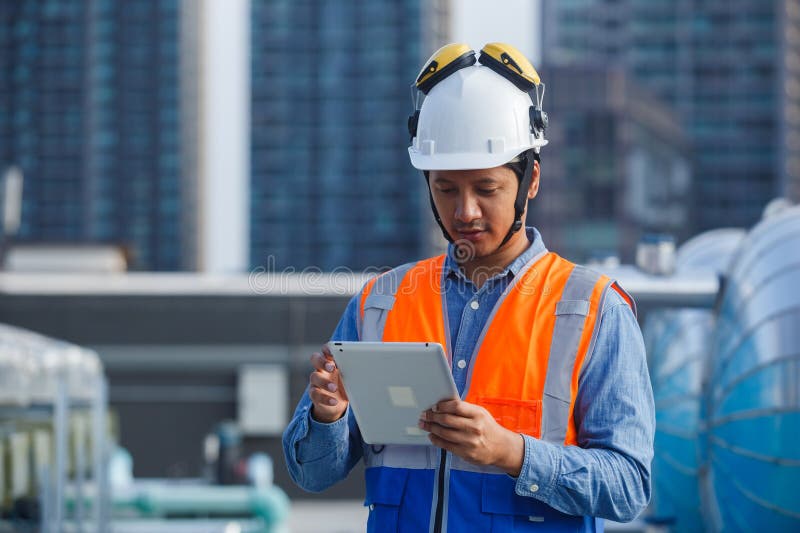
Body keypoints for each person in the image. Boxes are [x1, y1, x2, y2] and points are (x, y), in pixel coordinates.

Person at [283, 42, 654, 532]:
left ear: (531, 180)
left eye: (486, 188)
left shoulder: (593, 310)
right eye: (446, 189)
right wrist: (328, 416)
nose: (465, 212)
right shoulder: (381, 303)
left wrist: (512, 453)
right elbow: (312, 475)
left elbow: (629, 488)